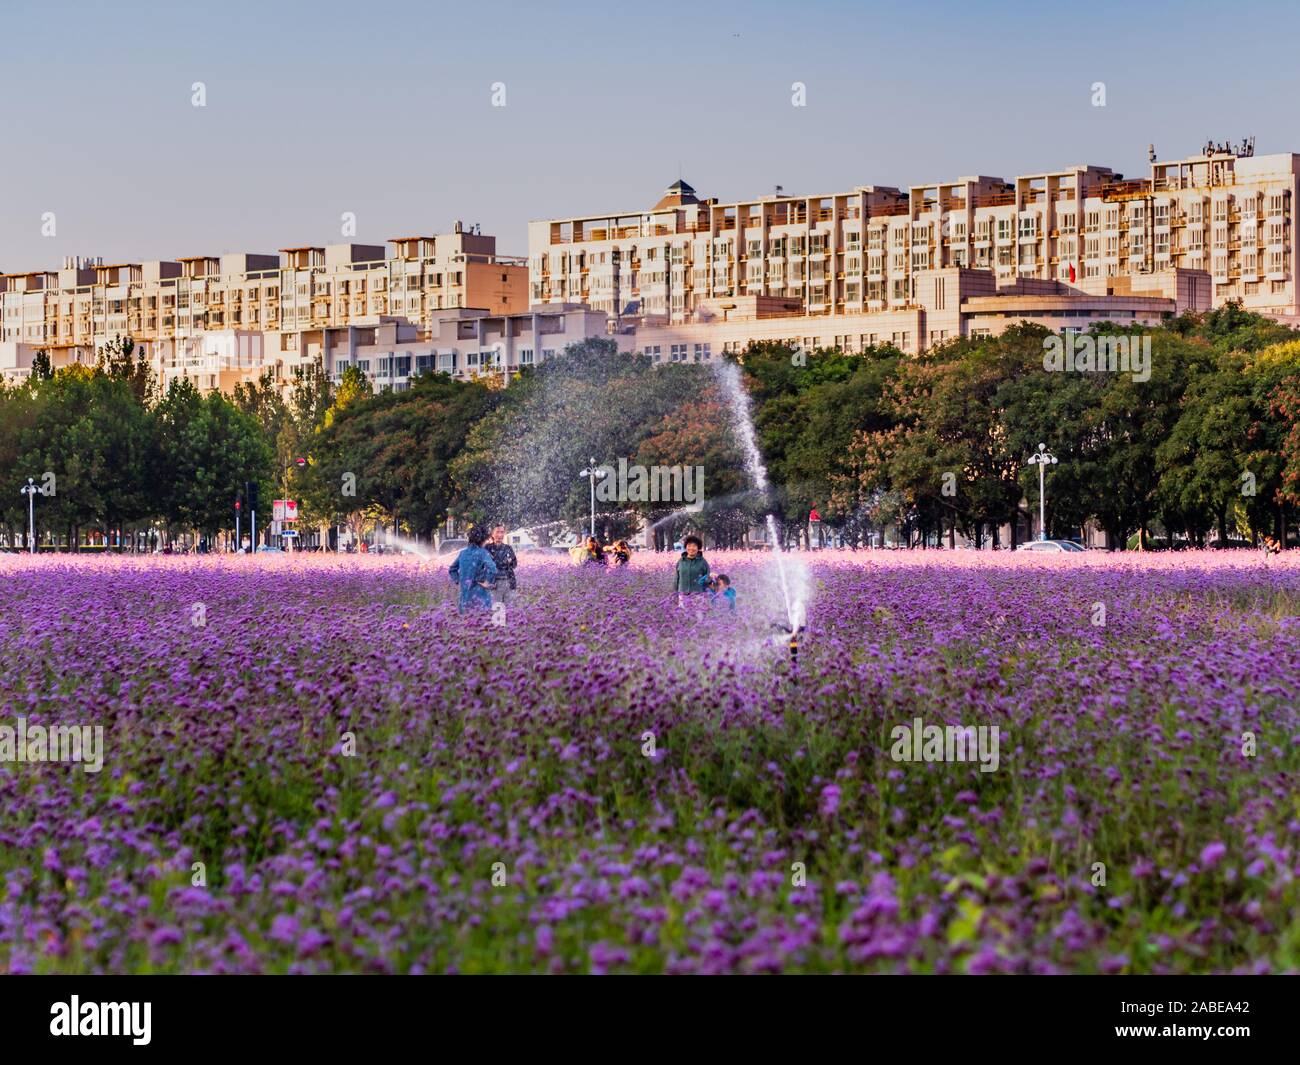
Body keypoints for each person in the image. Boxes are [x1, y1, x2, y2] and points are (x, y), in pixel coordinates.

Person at [448, 526, 498, 613]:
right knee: (481, 622)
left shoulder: (463, 553)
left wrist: (458, 581)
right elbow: (493, 568)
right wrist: (487, 581)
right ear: (482, 540)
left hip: (465, 595)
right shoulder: (483, 553)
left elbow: (452, 569)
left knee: (467, 623)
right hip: (480, 595)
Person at [485, 524, 518, 605]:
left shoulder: (508, 548)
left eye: (502, 532)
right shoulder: (487, 548)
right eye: (497, 532)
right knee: (497, 612)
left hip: (509, 582)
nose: (500, 535)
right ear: (492, 534)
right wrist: (506, 562)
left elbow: (514, 564)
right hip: (494, 583)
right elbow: (489, 565)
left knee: (511, 611)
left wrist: (510, 562)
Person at [672, 535, 710, 603]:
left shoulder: (703, 562)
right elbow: (677, 579)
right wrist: (675, 595)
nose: (691, 548)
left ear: (698, 548)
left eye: (694, 546)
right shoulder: (681, 561)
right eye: (689, 545)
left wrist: (706, 593)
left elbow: (707, 577)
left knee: (698, 613)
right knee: (682, 613)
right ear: (686, 547)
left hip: (698, 596)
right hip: (682, 595)